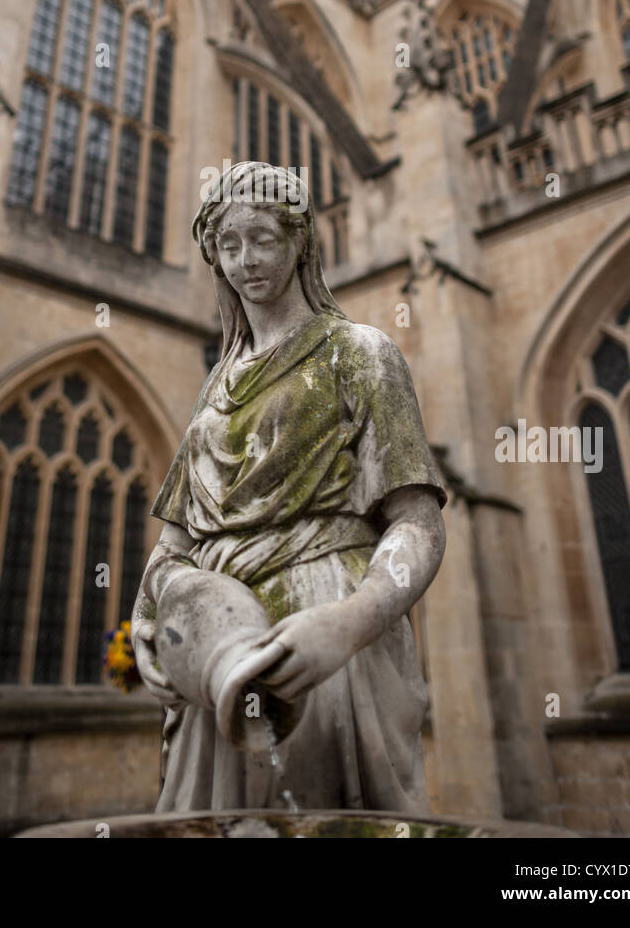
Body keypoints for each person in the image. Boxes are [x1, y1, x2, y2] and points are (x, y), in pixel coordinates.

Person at [131, 161, 447, 811]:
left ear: (300, 241)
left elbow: (417, 522)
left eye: (263, 239)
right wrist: (149, 618)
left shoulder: (360, 353)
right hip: (215, 656)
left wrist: (350, 622)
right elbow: (175, 546)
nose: (246, 259)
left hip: (322, 640)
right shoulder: (213, 392)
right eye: (228, 245)